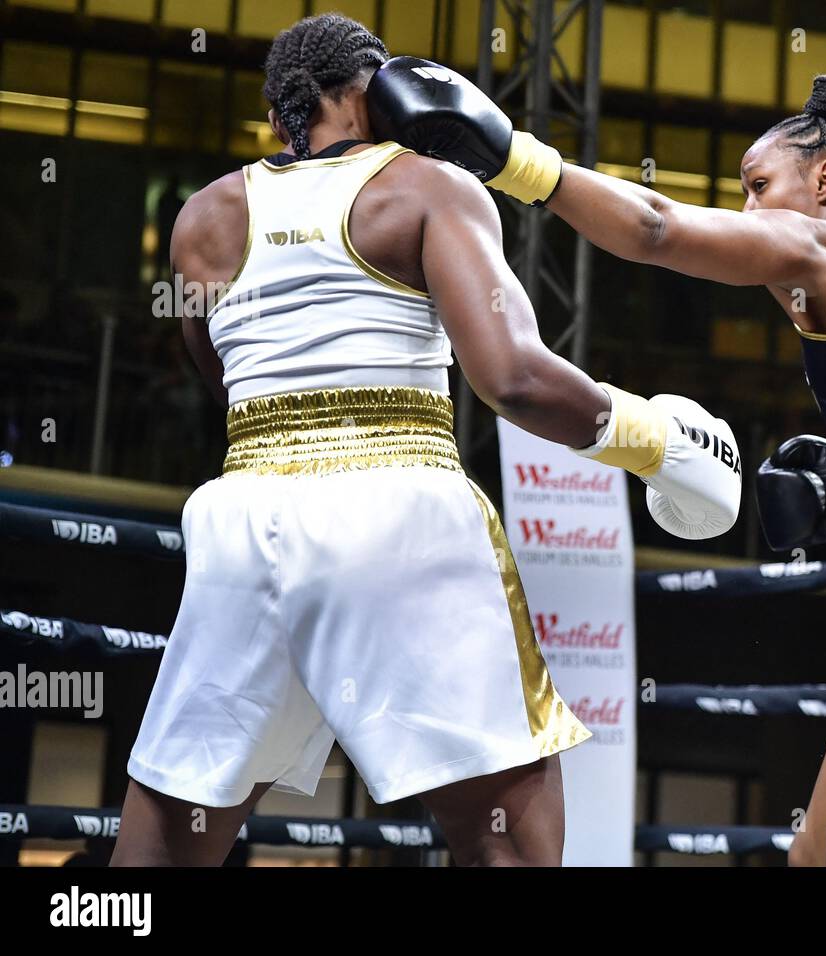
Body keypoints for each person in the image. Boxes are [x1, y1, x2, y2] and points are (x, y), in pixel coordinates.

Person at [368, 63, 826, 867]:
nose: (748, 212)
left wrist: (514, 160)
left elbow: (656, 229)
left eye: (756, 184)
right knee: (816, 855)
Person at [110, 14, 740, 868]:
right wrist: (660, 442)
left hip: (238, 519)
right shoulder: (429, 189)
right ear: (376, 90)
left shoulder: (201, 220)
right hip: (397, 508)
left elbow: (220, 380)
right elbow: (512, 374)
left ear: (276, 112)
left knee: (163, 843)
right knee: (507, 843)